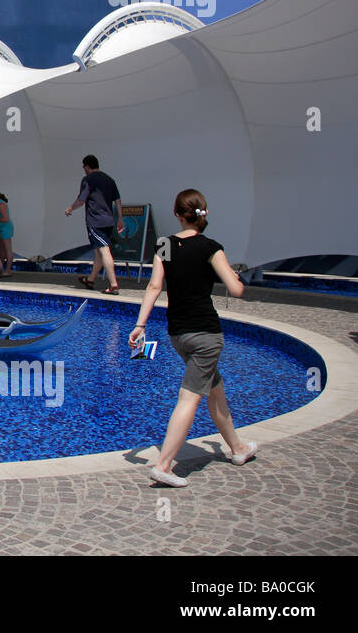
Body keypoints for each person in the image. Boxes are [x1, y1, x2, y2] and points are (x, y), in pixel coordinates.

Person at [129, 189, 256, 487]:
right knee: (189, 398)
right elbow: (236, 290)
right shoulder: (211, 247)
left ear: (176, 214)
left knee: (215, 390)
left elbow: (154, 287)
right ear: (203, 214)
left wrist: (140, 325)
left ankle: (237, 448)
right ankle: (163, 465)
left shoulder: (166, 245)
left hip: (178, 334)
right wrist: (237, 278)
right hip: (206, 335)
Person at [64, 153, 125, 294]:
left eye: (84, 167)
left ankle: (114, 285)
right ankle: (90, 280)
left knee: (104, 250)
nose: (83, 169)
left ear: (87, 166)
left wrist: (70, 208)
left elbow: (81, 200)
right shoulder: (109, 179)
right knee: (98, 252)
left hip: (95, 221)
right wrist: (120, 218)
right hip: (109, 221)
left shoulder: (88, 180)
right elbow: (118, 200)